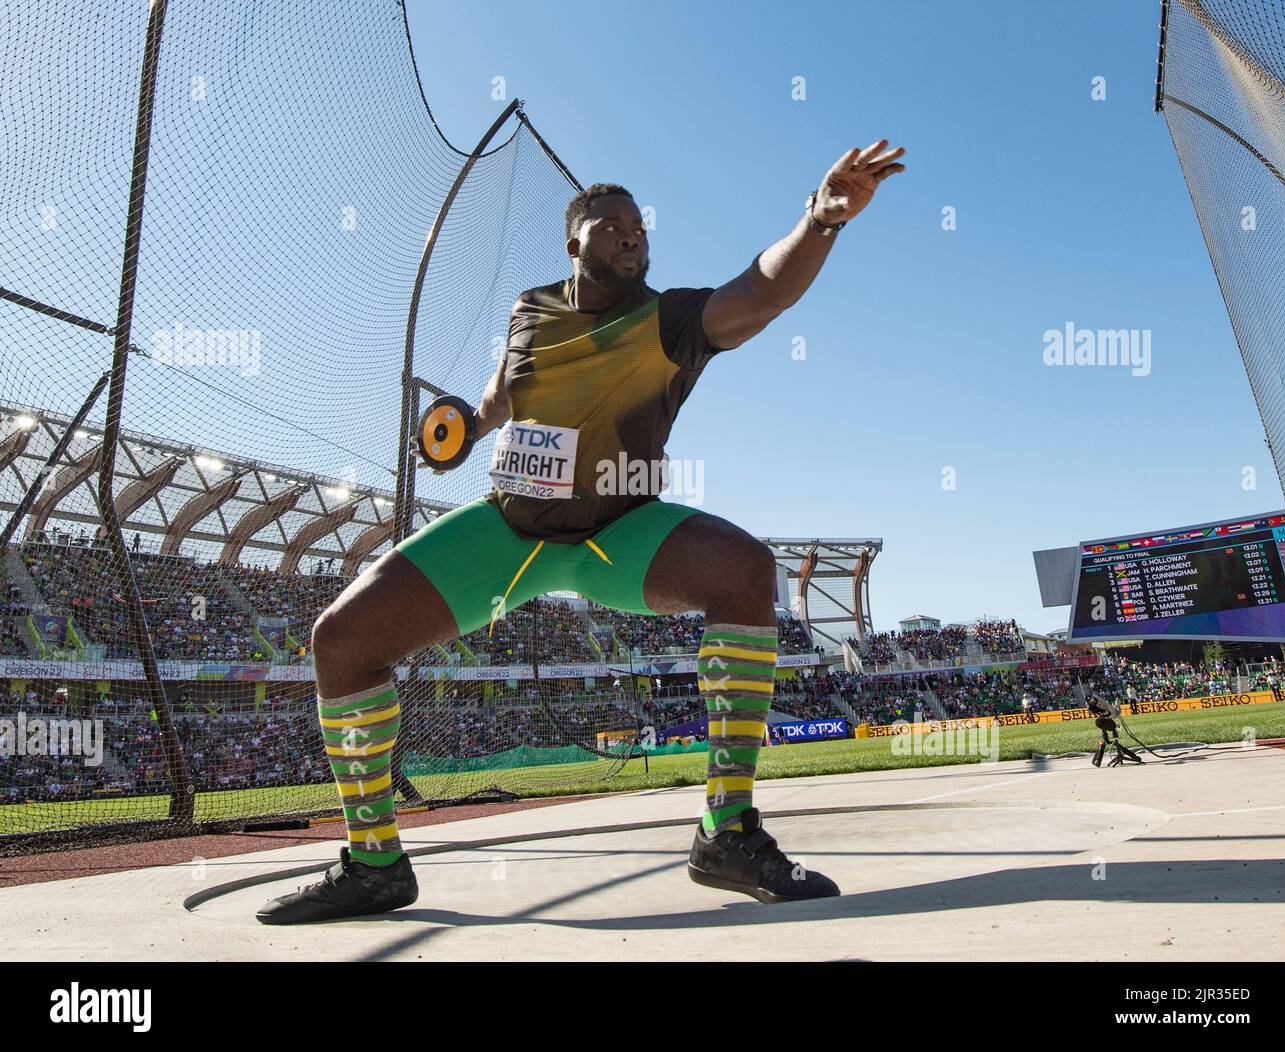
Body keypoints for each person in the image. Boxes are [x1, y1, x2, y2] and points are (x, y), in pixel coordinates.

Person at [257, 141, 905, 924]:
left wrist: (821, 218)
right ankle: (375, 865)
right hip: (511, 532)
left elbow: (761, 291)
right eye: (612, 225)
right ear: (575, 243)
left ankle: (726, 831)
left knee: (742, 568)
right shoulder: (530, 307)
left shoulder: (669, 320)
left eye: (639, 227)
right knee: (341, 639)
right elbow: (501, 393)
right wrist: (465, 424)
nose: (632, 234)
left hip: (615, 533)